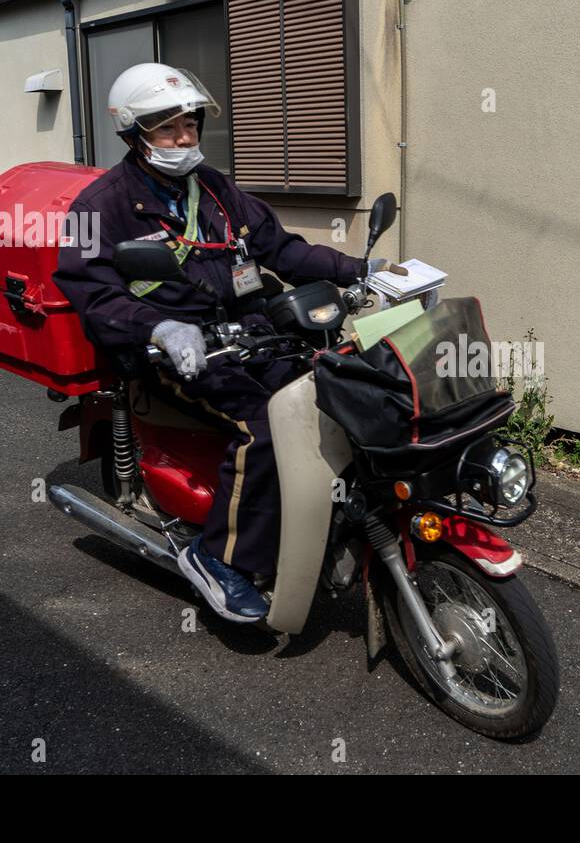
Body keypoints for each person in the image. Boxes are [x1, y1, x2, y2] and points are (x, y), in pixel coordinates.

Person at [54, 63, 402, 624]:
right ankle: (220, 558)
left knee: (341, 390)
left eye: (190, 124)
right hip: (171, 354)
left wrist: (364, 269)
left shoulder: (215, 189)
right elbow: (90, 293)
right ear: (132, 134)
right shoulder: (101, 205)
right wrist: (158, 328)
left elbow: (281, 249)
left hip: (248, 336)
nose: (185, 137)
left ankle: (323, 518)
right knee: (267, 423)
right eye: (169, 129)